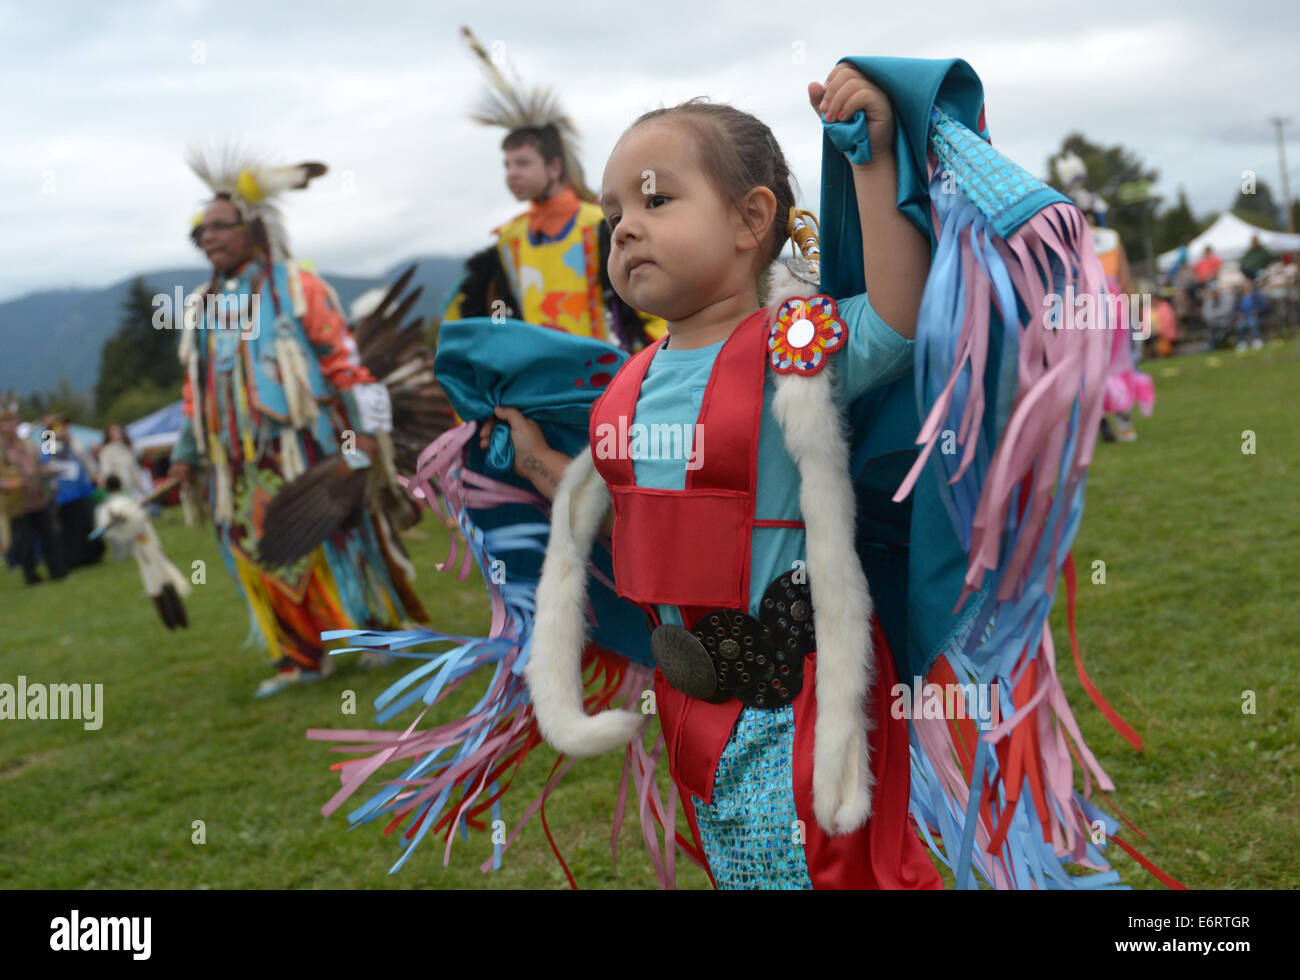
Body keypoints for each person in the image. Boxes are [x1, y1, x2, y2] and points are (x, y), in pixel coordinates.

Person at [315, 57, 1173, 891]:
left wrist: (868, 154)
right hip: (693, 711)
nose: (627, 227)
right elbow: (634, 514)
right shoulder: (627, 383)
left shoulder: (793, 349)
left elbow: (903, 317)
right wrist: (538, 463)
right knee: (743, 866)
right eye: (615, 213)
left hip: (807, 693)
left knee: (841, 871)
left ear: (750, 218)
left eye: (656, 199)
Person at [168, 150, 428, 698]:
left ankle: (375, 634)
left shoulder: (296, 287)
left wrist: (362, 445)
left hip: (306, 445)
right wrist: (186, 455)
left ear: (254, 229)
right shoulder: (201, 305)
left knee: (335, 538)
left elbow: (344, 365)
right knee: (257, 550)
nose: (208, 238)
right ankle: (298, 653)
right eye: (200, 232)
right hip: (234, 460)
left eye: (220, 227)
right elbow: (196, 389)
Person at [442, 28, 666, 351]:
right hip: (539, 393)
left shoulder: (602, 226)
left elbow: (651, 308)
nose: (511, 174)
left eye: (522, 163)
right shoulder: (509, 241)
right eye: (506, 165)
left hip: (613, 382)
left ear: (554, 167)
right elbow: (495, 320)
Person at [0, 401, 67, 585]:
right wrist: (9, 483)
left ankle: (58, 572)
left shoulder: (27, 444)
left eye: (13, 421)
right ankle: (32, 577)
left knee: (50, 536)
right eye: (6, 422)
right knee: (25, 543)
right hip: (17, 503)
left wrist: (50, 433)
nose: (10, 425)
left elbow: (43, 461)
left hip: (38, 497)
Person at [41, 414, 103, 569]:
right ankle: (74, 559)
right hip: (63, 494)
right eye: (58, 426)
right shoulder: (49, 442)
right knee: (70, 528)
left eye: (64, 425)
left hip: (82, 489)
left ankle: (92, 555)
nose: (63, 429)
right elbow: (45, 462)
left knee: (87, 523)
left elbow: (86, 461)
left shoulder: (75, 442)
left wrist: (95, 477)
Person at [97, 423, 147, 498]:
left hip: (131, 489)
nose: (117, 432)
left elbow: (134, 470)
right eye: (114, 430)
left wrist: (143, 488)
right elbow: (105, 470)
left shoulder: (127, 449)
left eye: (118, 430)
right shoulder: (106, 451)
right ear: (109, 434)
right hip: (117, 490)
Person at [1235, 277, 1266, 350]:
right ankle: (1242, 343)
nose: (1246, 286)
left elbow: (1264, 305)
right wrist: (1239, 314)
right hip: (1244, 318)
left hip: (1255, 316)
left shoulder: (1257, 295)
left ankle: (1256, 340)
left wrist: (1257, 311)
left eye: (1247, 284)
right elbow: (1236, 309)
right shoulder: (1239, 297)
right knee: (1239, 325)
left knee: (1252, 322)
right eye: (1244, 285)